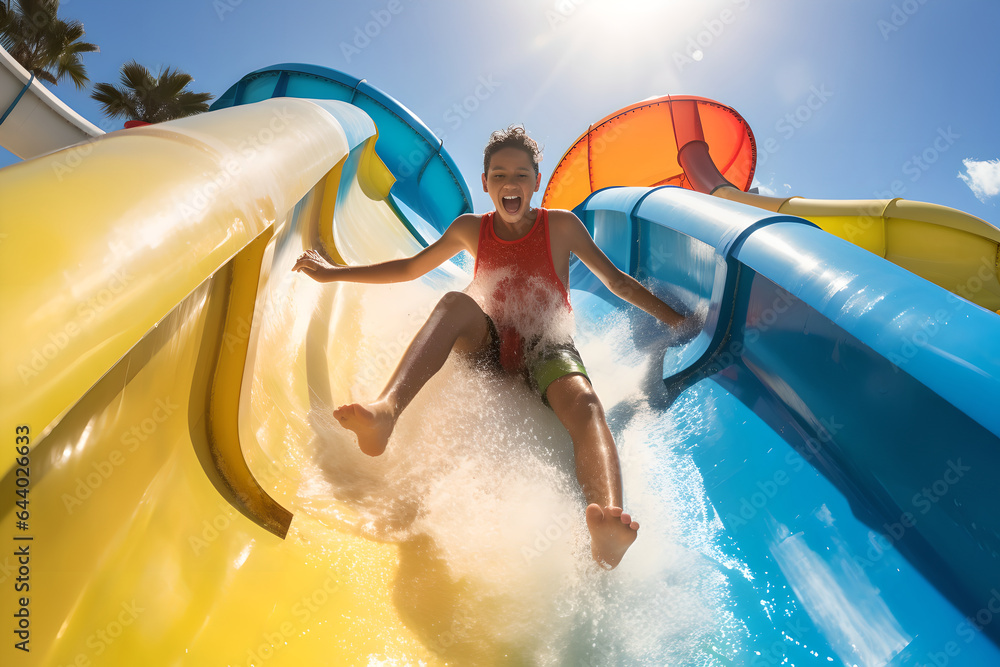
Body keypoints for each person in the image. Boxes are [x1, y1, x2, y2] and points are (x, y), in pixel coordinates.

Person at [292, 125, 685, 569]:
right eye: (499, 175)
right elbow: (408, 268)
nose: (510, 184)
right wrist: (332, 272)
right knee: (455, 302)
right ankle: (386, 412)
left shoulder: (561, 226)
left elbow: (617, 282)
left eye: (521, 174)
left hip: (547, 347)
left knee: (586, 405)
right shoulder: (469, 230)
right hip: (489, 347)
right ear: (485, 183)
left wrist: (676, 322)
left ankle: (608, 523)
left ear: (537, 181)